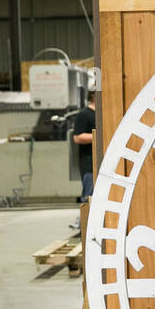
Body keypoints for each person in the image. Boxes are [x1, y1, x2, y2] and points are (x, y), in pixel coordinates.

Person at [70, 94, 96, 227]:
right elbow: (78, 137)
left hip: (100, 163)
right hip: (89, 164)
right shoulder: (84, 114)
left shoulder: (101, 113)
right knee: (88, 194)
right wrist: (99, 135)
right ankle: (84, 224)